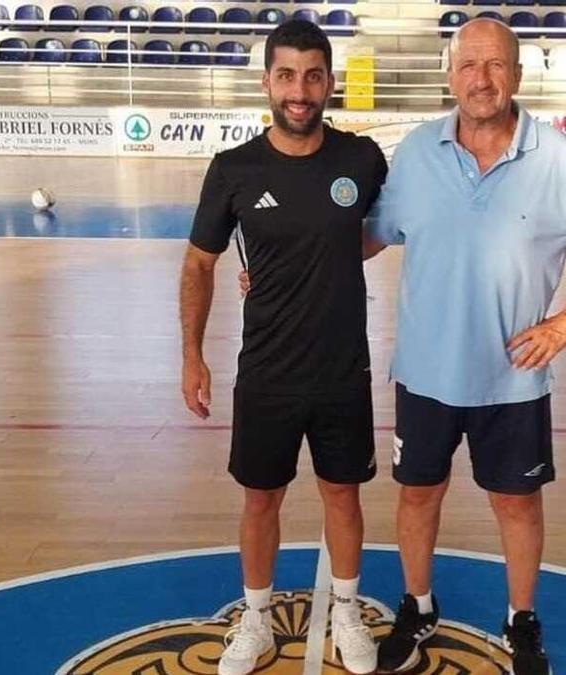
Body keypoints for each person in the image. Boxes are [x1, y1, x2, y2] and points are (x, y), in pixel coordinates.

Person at [367, 18, 566, 675]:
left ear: (517, 75)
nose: (481, 78)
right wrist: (291, 261)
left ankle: (520, 618)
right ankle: (418, 603)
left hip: (513, 377)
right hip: (426, 372)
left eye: (495, 65)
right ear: (449, 74)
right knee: (417, 494)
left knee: (516, 501)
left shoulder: (553, 156)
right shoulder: (416, 152)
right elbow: (373, 233)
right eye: (468, 65)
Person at [178, 19, 388, 675]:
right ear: (268, 81)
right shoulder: (233, 170)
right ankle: (259, 620)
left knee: (343, 496)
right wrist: (192, 354)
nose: (301, 90)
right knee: (260, 500)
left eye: (314, 75)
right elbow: (197, 265)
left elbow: (382, 230)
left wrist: (321, 255)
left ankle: (349, 614)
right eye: (287, 75)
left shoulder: (362, 159)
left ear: (329, 82)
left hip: (341, 370)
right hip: (266, 372)